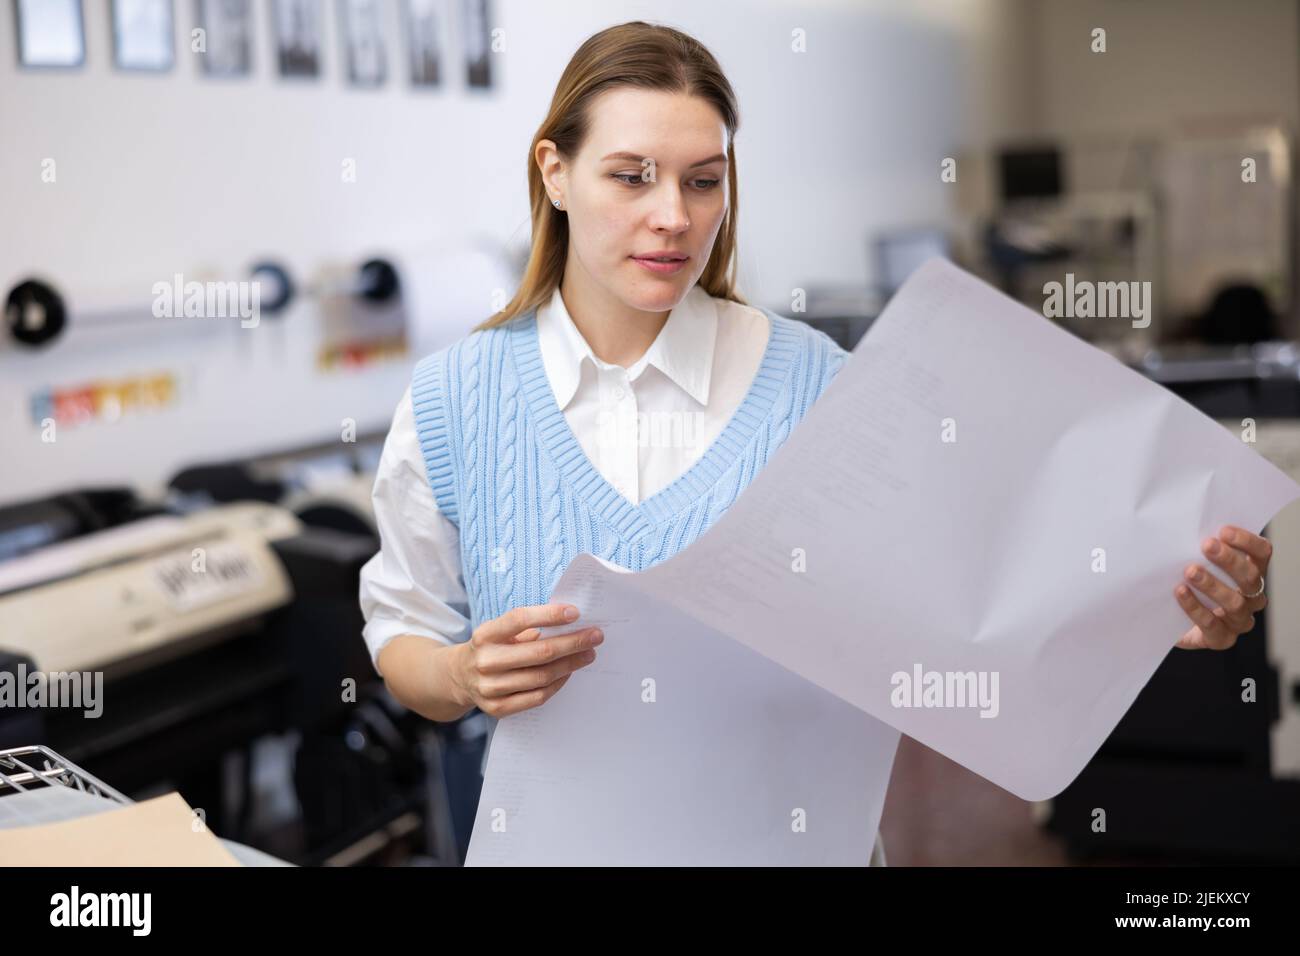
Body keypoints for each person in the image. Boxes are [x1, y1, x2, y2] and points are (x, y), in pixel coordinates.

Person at [358, 20, 1274, 867]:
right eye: (631, 175)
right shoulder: (454, 399)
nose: (673, 214)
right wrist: (461, 672)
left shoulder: (819, 387)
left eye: (703, 179)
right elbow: (404, 630)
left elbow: (981, 584)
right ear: (555, 173)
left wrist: (1163, 608)